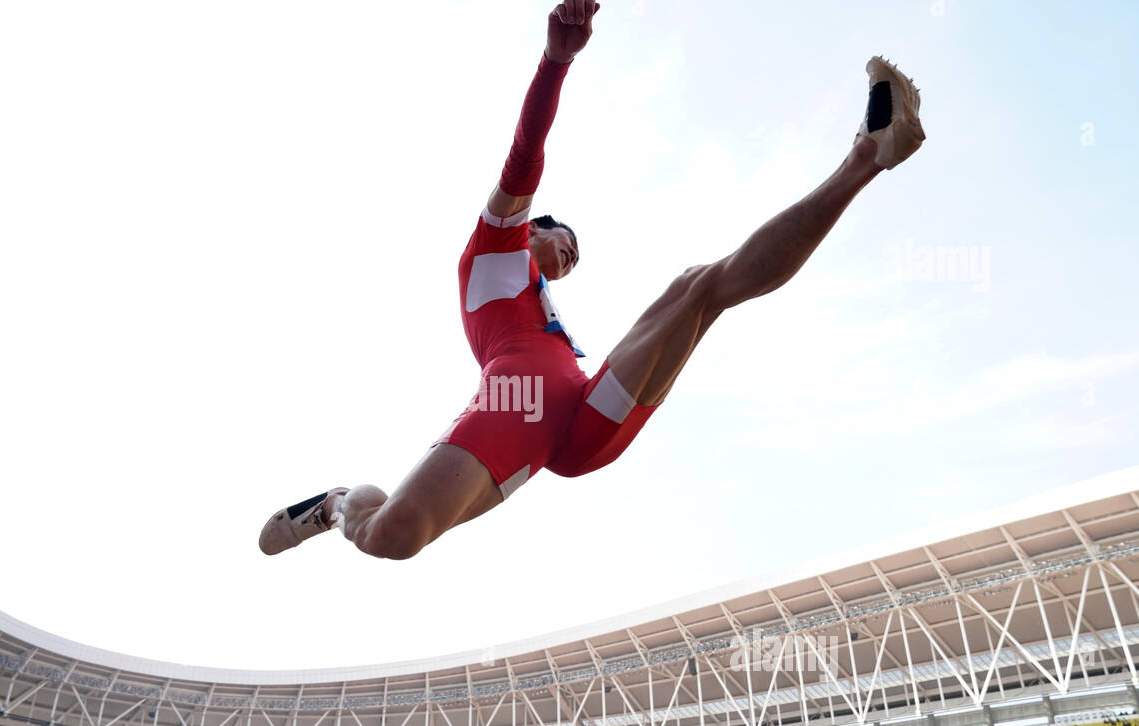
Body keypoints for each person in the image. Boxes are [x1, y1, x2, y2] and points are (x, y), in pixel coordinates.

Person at [259, 0, 924, 560]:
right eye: (564, 240)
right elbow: (526, 152)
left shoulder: (545, 309)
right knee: (393, 536)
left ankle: (868, 154)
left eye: (577, 251)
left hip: (579, 415)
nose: (572, 255)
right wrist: (557, 60)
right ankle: (338, 503)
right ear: (533, 229)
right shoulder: (492, 250)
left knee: (698, 287)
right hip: (514, 403)